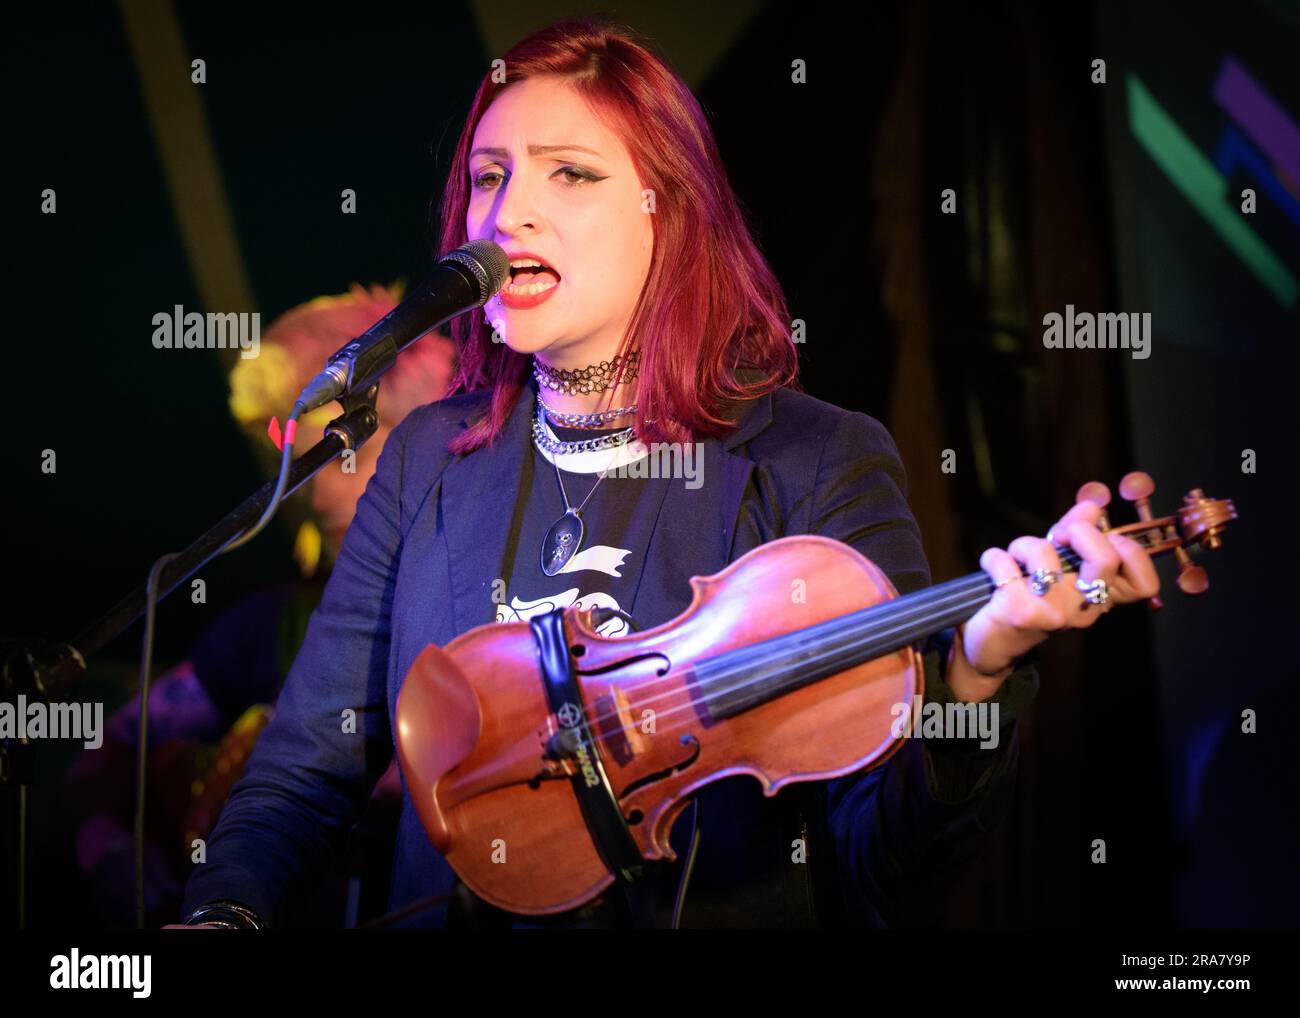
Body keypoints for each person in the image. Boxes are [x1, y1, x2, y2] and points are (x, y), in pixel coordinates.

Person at [175, 17, 1160, 929]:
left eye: (570, 174)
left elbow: (888, 864)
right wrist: (225, 913)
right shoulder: (426, 459)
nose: (508, 211)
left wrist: (976, 667)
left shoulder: (812, 460)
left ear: (670, 213)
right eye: (488, 175)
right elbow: (302, 770)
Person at [71, 284, 452, 927]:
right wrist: (118, 859)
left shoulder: (478, 598)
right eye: (305, 460)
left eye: (343, 457)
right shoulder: (269, 624)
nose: (315, 494)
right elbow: (108, 757)